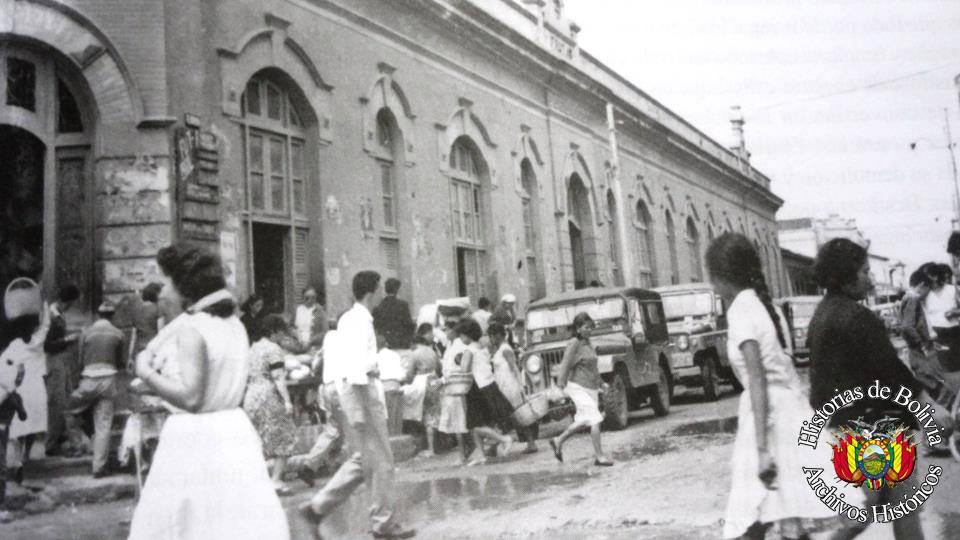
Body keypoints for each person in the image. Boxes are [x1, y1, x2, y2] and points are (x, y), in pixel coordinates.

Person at [129, 244, 288, 539]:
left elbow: (191, 397)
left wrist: (146, 373)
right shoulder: (234, 325)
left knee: (192, 523)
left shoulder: (192, 329)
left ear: (183, 288)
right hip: (234, 430)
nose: (164, 290)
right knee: (234, 522)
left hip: (194, 437)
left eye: (168, 282)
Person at [706, 233, 854, 539]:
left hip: (768, 420)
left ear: (720, 276)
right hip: (790, 414)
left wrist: (760, 448)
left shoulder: (740, 310)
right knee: (784, 516)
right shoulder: (766, 306)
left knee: (751, 519)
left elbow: (757, 378)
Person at [807, 238, 933, 540]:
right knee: (891, 504)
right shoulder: (858, 317)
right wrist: (929, 404)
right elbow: (891, 370)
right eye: (865, 271)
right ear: (847, 276)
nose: (870, 277)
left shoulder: (821, 316)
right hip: (876, 426)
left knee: (871, 505)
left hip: (848, 426)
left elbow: (819, 389)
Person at [298, 270, 415, 539]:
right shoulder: (360, 321)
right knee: (382, 461)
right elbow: (357, 368)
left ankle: (316, 509)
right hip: (362, 391)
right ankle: (383, 524)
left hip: (354, 391)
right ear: (372, 292)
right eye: (378, 290)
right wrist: (360, 408)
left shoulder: (351, 319)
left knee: (363, 460)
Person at [67, 300, 124, 477]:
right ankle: (99, 466)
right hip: (108, 381)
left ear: (98, 315)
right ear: (112, 316)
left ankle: (78, 445)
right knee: (104, 424)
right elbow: (121, 363)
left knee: (69, 412)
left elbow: (80, 361)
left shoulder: (86, 333)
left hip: (88, 380)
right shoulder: (118, 334)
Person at [243, 314, 298, 495]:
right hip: (268, 395)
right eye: (281, 333)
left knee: (259, 438)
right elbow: (278, 377)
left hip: (251, 395)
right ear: (274, 332)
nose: (282, 337)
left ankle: (257, 479)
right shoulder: (273, 349)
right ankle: (275, 480)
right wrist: (287, 401)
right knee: (285, 436)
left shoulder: (253, 348)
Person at [548, 313, 612, 467]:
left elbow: (593, 368)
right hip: (577, 387)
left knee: (584, 420)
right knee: (595, 419)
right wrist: (560, 386)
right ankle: (599, 456)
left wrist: (602, 383)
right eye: (585, 327)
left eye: (591, 327)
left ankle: (558, 441)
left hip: (591, 388)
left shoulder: (588, 343)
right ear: (578, 328)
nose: (589, 330)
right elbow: (565, 364)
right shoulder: (574, 343)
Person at [1, 278, 40, 493]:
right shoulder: (17, 352)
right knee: (14, 438)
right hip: (15, 398)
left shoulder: (14, 351)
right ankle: (14, 476)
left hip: (17, 397)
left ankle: (15, 475)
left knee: (15, 437)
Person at [7, 280, 48, 482]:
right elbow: (45, 325)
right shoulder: (38, 344)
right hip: (36, 390)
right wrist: (44, 303)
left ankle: (16, 470)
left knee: (17, 433)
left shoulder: (13, 347)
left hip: (20, 392)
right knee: (34, 430)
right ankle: (28, 467)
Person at [459, 317, 514, 466]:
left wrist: (459, 362)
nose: (460, 338)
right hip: (489, 386)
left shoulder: (469, 350)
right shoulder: (482, 348)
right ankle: (482, 455)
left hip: (477, 389)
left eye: (461, 335)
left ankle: (503, 439)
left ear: (467, 335)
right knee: (476, 426)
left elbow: (464, 369)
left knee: (475, 425)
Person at [902, 269, 953, 407]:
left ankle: (935, 420)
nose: (927, 295)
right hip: (920, 355)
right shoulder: (913, 298)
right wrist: (922, 343)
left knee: (935, 390)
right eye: (928, 290)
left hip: (919, 353)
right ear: (922, 285)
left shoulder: (908, 298)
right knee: (942, 389)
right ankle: (939, 421)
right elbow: (907, 327)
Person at [42, 283, 81, 456]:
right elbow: (48, 345)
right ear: (69, 301)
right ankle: (51, 443)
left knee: (64, 400)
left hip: (60, 361)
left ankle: (60, 439)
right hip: (54, 360)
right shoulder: (52, 316)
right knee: (57, 402)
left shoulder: (55, 312)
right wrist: (68, 339)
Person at [488, 322, 538, 454]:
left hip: (510, 387)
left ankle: (529, 443)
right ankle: (499, 444)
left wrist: (520, 386)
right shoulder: (501, 349)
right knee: (511, 416)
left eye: (491, 336)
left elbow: (514, 368)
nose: (490, 339)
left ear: (497, 336)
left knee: (517, 416)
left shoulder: (505, 349)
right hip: (504, 386)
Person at [402, 323, 441, 456]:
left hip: (422, 383)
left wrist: (403, 381)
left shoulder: (414, 354)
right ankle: (434, 446)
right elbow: (439, 368)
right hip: (434, 381)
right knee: (433, 413)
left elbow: (409, 376)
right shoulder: (432, 351)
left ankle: (429, 448)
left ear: (414, 343)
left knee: (424, 415)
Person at [437, 319, 470, 464]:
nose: (445, 333)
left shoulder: (458, 347)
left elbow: (457, 368)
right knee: (458, 422)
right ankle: (464, 453)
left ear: (452, 330)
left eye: (446, 330)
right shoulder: (450, 346)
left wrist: (443, 380)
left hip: (457, 387)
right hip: (451, 387)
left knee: (459, 422)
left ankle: (463, 455)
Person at [372, 278, 415, 350]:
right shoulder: (403, 305)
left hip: (385, 346)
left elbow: (377, 327)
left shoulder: (378, 307)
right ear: (397, 290)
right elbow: (409, 325)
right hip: (401, 344)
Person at [377, 334, 407, 435]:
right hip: (397, 386)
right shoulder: (395, 355)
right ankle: (398, 436)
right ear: (386, 344)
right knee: (398, 415)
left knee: (387, 416)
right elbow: (403, 373)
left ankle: (390, 439)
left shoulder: (376, 356)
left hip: (384, 387)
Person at [133, 283, 162, 357]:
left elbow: (133, 336)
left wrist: (130, 356)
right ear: (156, 294)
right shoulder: (157, 309)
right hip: (153, 348)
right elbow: (161, 333)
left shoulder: (137, 310)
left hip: (139, 349)